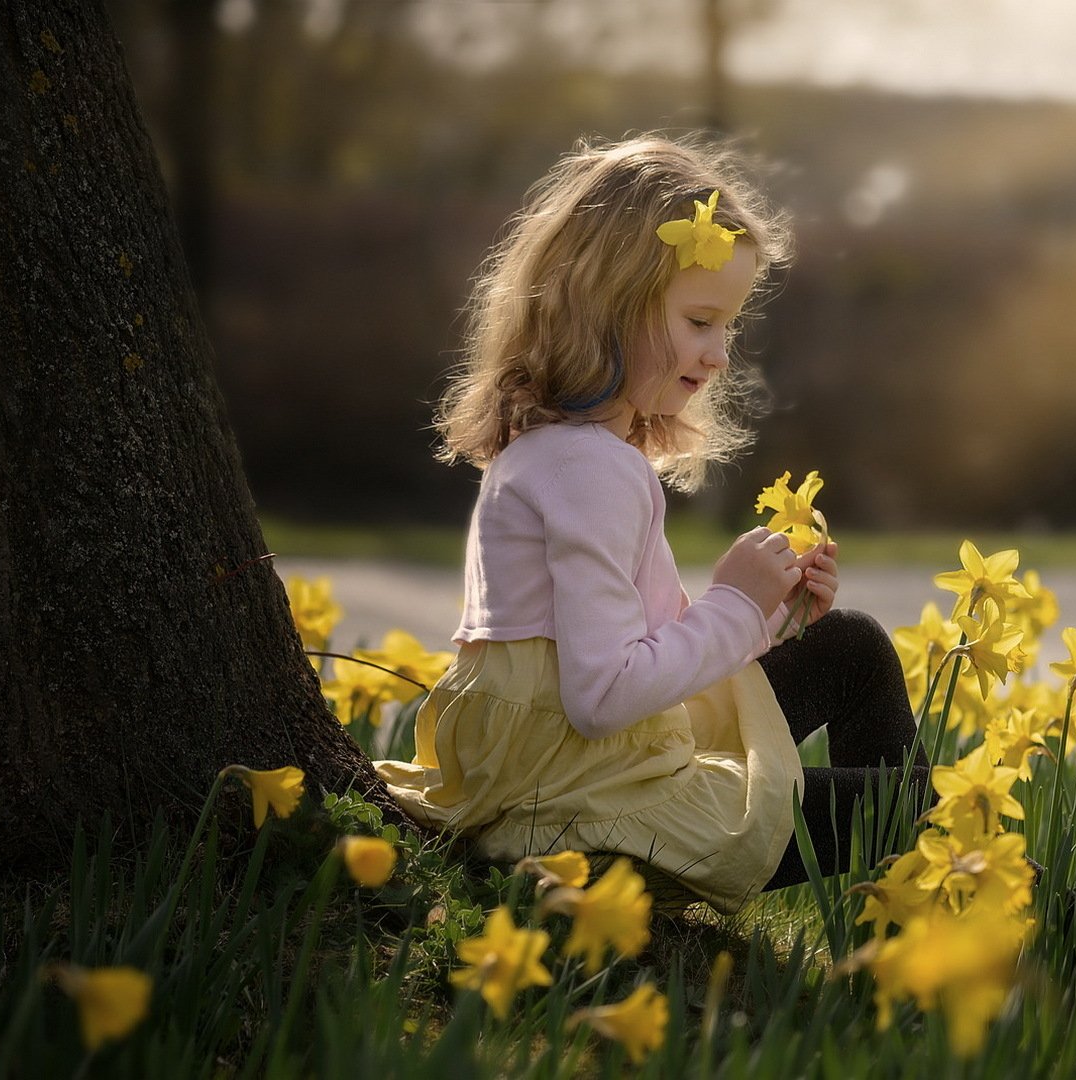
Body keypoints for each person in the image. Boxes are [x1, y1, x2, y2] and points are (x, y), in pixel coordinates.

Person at [375, 135, 926, 914]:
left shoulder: (559, 453)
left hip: (573, 765)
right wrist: (733, 606)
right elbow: (602, 694)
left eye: (727, 326)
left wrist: (764, 613)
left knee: (848, 646)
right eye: (701, 321)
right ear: (607, 305)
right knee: (897, 810)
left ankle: (934, 915)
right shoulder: (591, 471)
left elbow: (611, 651)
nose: (720, 356)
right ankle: (960, 926)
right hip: (585, 802)